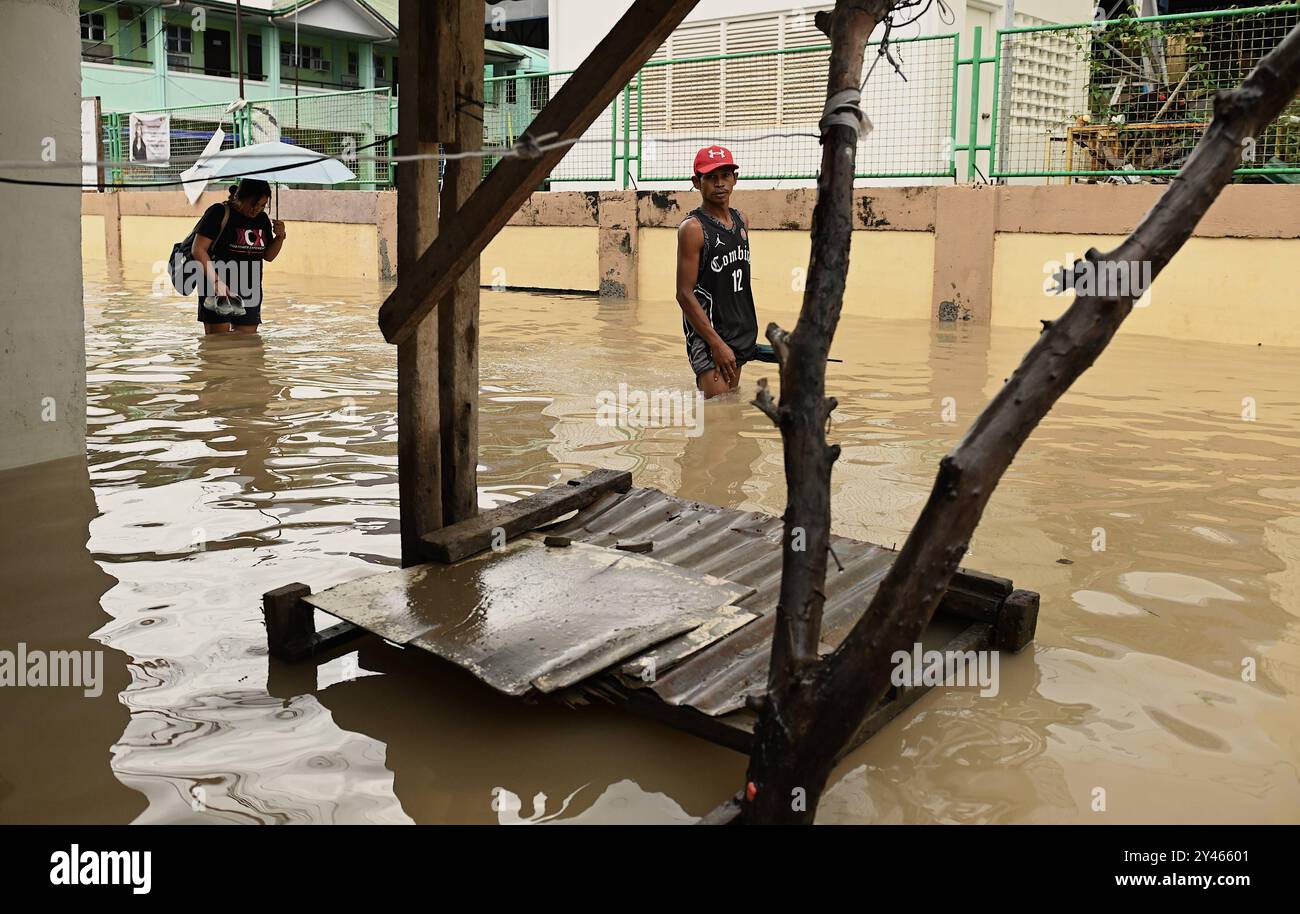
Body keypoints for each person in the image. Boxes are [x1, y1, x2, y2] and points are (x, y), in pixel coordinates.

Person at [675, 146, 758, 399]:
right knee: (716, 418)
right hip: (708, 335)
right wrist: (717, 343)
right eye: (711, 177)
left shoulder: (741, 220)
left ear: (735, 179)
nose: (719, 183)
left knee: (729, 409)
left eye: (725, 175)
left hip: (739, 329)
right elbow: (684, 294)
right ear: (696, 182)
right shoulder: (693, 228)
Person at [192, 178, 287, 335]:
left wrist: (280, 236)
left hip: (250, 288)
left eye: (262, 205)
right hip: (217, 286)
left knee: (247, 345)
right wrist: (216, 282)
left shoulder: (262, 219)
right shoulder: (219, 212)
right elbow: (198, 249)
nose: (256, 209)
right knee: (218, 344)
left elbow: (269, 256)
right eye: (253, 204)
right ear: (240, 197)